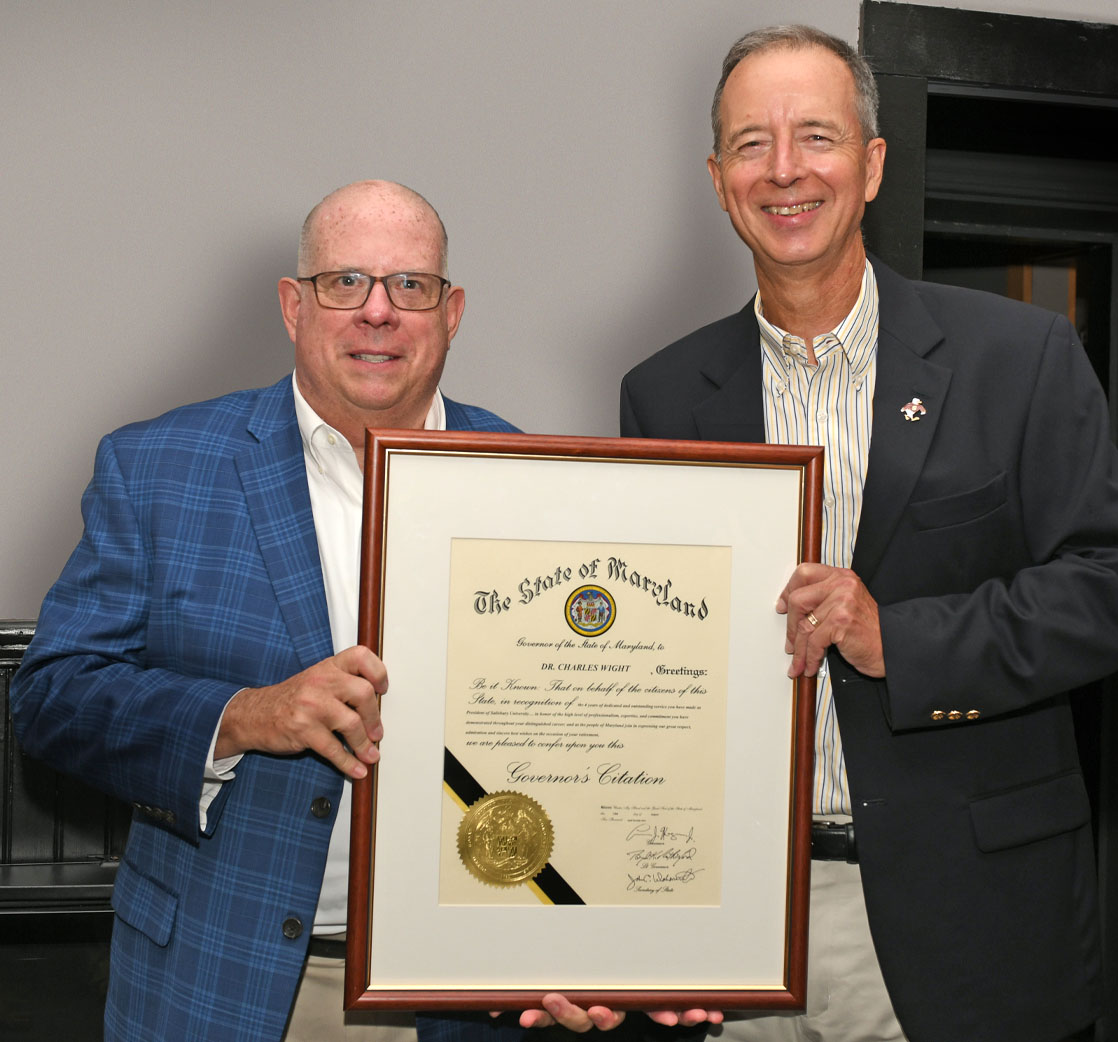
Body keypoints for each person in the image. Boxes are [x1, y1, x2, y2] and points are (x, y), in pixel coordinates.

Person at [12, 180, 709, 1042]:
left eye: (410, 286)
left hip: (471, 997)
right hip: (221, 985)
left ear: (450, 313)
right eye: (345, 283)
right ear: (292, 306)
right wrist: (241, 715)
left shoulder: (546, 487)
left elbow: (595, 743)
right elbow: (53, 697)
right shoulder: (157, 468)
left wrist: (586, 938)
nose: (378, 313)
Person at [619, 27, 1118, 1042]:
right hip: (737, 928)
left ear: (873, 164)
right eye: (751, 143)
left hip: (969, 927)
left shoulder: (1018, 357)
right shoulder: (664, 392)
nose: (784, 169)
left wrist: (902, 640)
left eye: (816, 136)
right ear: (716, 179)